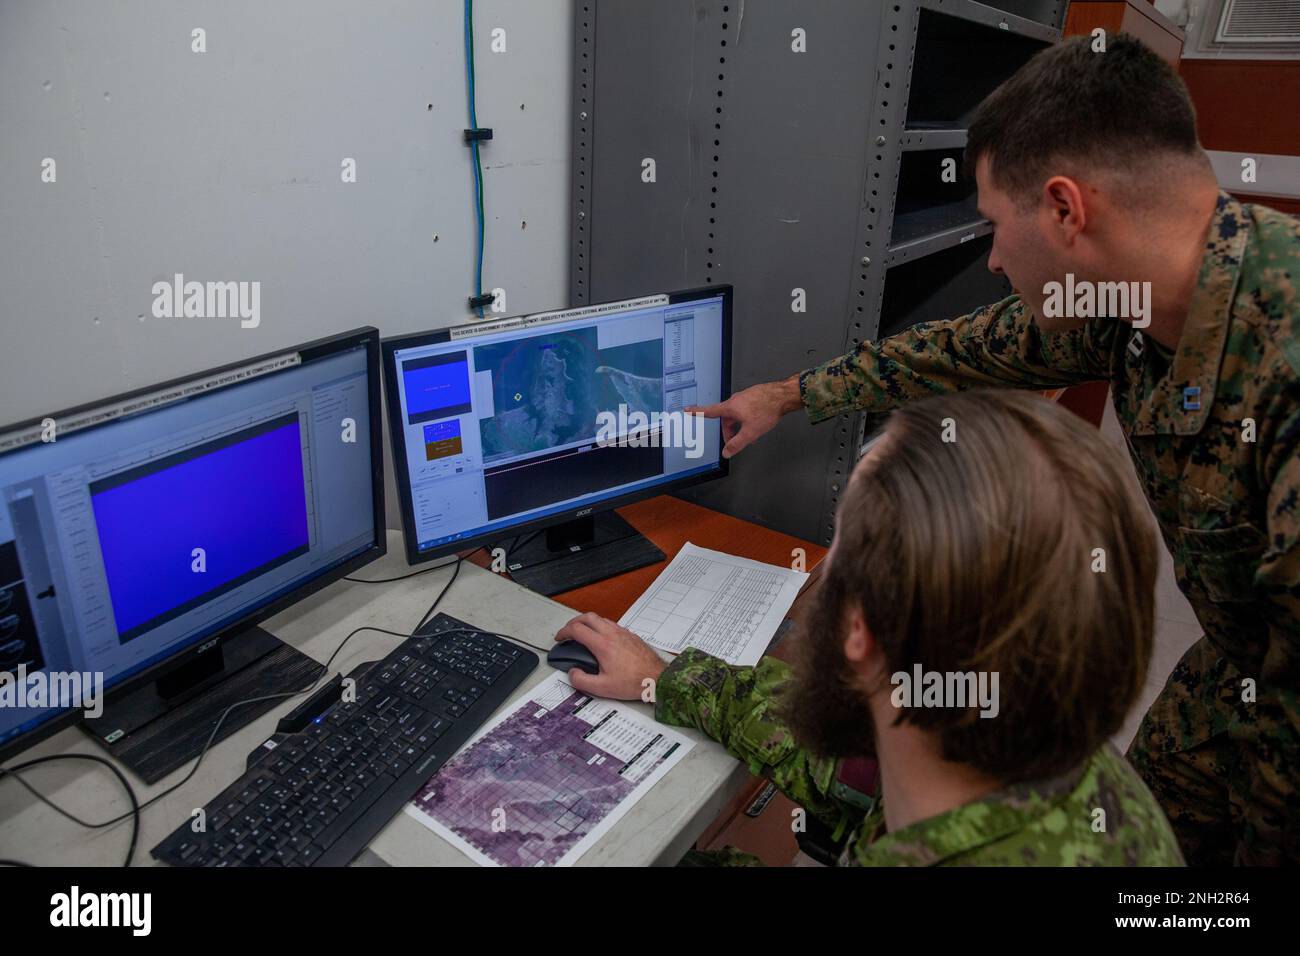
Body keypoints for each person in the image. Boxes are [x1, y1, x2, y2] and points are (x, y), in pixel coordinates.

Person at [686, 33, 1300, 867]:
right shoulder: (1132, 297)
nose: (996, 259)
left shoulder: (1284, 359)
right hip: (1229, 673)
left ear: (1064, 209)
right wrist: (789, 395)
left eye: (995, 226)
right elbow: (967, 349)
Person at [555, 391, 1183, 866]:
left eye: (841, 545)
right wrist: (665, 678)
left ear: (859, 630)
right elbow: (848, 769)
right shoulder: (1044, 750)